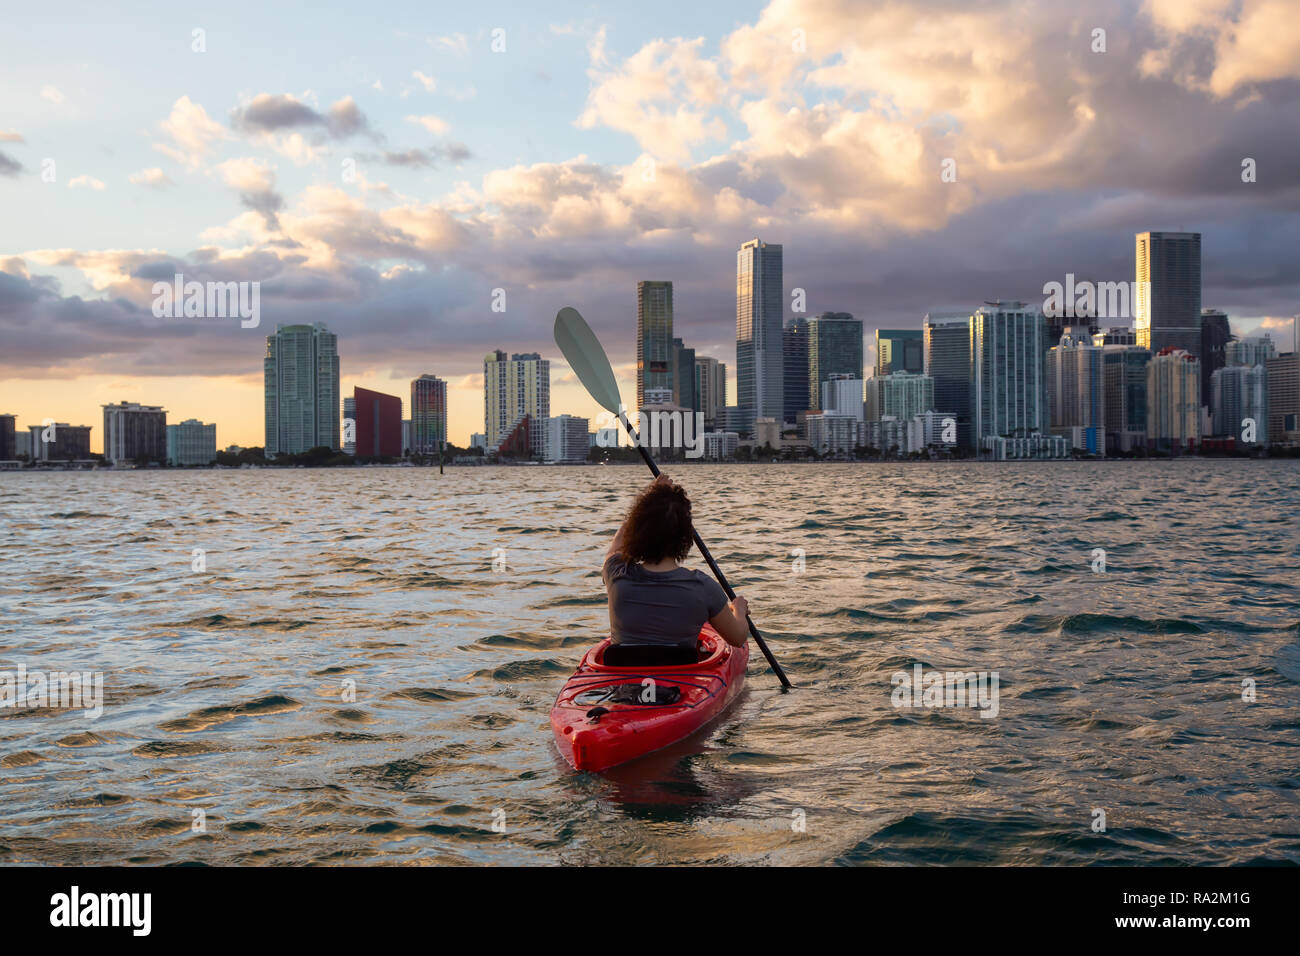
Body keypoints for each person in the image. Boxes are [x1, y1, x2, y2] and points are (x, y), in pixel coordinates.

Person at [601, 473, 751, 666]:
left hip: (621, 684)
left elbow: (617, 547)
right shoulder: (703, 587)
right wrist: (739, 609)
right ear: (685, 537)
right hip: (679, 686)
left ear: (637, 531)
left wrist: (649, 499)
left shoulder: (617, 575)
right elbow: (738, 638)